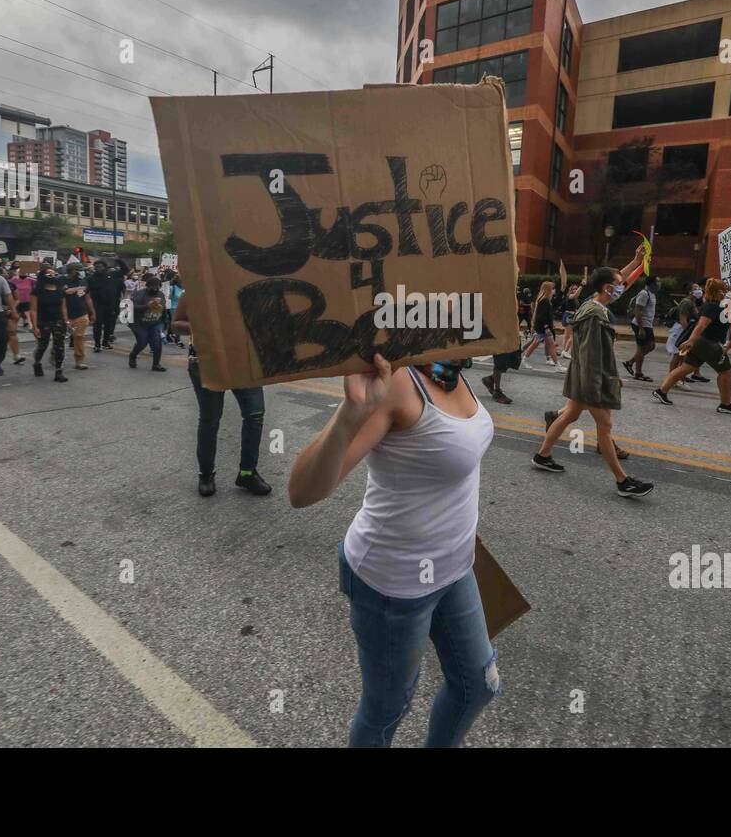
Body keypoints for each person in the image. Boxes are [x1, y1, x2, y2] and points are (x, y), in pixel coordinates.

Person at [289, 350, 499, 747]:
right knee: (387, 709)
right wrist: (351, 413)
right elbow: (302, 491)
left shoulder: (451, 367)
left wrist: (464, 524)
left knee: (479, 685)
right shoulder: (399, 381)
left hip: (456, 568)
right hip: (394, 584)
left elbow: (450, 462)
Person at [531, 251, 654, 498]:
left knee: (569, 416)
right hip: (591, 379)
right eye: (618, 286)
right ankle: (623, 481)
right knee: (605, 426)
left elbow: (622, 278)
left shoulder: (593, 302)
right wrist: (605, 381)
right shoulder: (596, 315)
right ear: (608, 288)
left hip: (584, 376)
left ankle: (542, 455)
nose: (623, 288)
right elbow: (591, 356)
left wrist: (636, 260)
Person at [170, 295, 271, 498]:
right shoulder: (195, 287)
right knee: (210, 419)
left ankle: (247, 473)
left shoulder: (246, 284)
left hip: (245, 362)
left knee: (255, 415)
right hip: (206, 362)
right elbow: (177, 324)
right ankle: (206, 474)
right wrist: (204, 328)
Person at [651, 278, 731, 415]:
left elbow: (726, 315)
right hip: (707, 342)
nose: (726, 292)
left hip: (701, 342)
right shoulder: (712, 306)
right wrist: (690, 340)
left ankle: (661, 391)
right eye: (724, 290)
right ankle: (725, 404)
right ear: (719, 291)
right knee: (725, 371)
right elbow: (701, 325)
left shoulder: (716, 305)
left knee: (686, 367)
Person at [29, 266, 70, 382]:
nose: (52, 276)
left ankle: (58, 371)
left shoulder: (60, 290)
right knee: (43, 345)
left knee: (59, 346)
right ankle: (37, 362)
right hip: (43, 321)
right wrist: (35, 326)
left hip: (58, 321)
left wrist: (66, 321)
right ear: (43, 276)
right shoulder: (37, 291)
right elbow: (33, 309)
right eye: (49, 274)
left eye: (54, 274)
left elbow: (64, 308)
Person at [127, 275, 167, 372]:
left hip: (154, 322)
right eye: (153, 286)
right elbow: (132, 307)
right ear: (148, 286)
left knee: (157, 342)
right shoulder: (140, 294)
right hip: (139, 322)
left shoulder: (160, 294)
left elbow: (164, 307)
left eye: (157, 286)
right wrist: (147, 306)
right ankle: (133, 356)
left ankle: (156, 364)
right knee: (142, 342)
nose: (155, 288)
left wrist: (164, 319)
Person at [624, 275, 658, 381]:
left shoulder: (652, 294)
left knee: (650, 346)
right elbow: (637, 311)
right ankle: (638, 373)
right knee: (644, 347)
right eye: (657, 282)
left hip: (648, 324)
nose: (659, 284)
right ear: (652, 283)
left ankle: (630, 362)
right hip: (641, 324)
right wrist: (641, 328)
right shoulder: (644, 293)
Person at [520, 281, 561, 369]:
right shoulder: (544, 300)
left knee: (543, 345)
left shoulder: (545, 299)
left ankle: (557, 365)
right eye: (552, 288)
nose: (554, 290)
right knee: (539, 344)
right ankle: (557, 365)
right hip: (543, 328)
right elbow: (542, 316)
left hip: (542, 327)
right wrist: (546, 327)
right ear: (548, 289)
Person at [62, 264, 95, 371]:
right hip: (65, 314)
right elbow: (64, 297)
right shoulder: (62, 281)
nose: (81, 273)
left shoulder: (82, 282)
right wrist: (65, 319)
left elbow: (86, 298)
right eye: (78, 271)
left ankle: (79, 362)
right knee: (60, 338)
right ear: (71, 271)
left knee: (79, 338)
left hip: (81, 314)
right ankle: (55, 356)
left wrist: (92, 312)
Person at [88, 260, 124, 351]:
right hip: (97, 305)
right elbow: (86, 291)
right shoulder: (91, 278)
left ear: (104, 267)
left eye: (100, 266)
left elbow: (125, 270)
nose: (98, 268)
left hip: (110, 305)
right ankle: (97, 345)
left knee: (108, 325)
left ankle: (105, 342)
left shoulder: (112, 275)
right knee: (97, 326)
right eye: (96, 267)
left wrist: (119, 260)